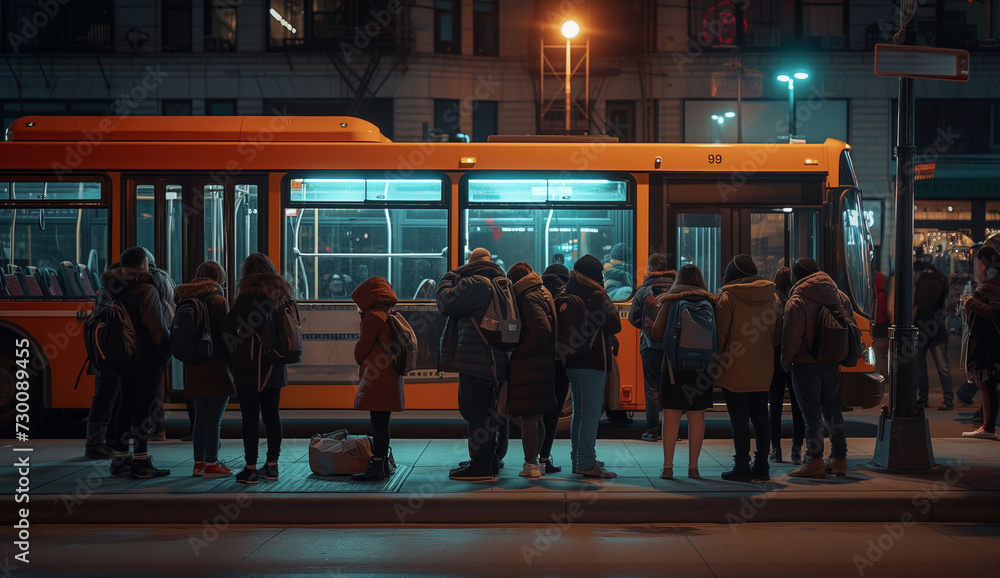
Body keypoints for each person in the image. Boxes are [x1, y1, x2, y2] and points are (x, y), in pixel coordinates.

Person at [437, 247, 510, 481]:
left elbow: (445, 303)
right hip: (494, 359)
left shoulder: (476, 283)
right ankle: (490, 458)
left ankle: (480, 465)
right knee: (489, 412)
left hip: (476, 360)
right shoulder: (500, 282)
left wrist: (451, 275)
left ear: (471, 264)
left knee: (475, 412)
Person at [225, 253, 294, 484]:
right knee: (273, 416)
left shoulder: (249, 294)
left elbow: (229, 327)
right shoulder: (282, 293)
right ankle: (272, 465)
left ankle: (251, 469)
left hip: (251, 366)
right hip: (276, 365)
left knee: (250, 418)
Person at [781, 257, 853, 478]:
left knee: (811, 415)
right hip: (832, 363)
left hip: (805, 365)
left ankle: (814, 461)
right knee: (833, 412)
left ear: (797, 276)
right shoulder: (839, 296)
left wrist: (786, 362)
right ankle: (839, 458)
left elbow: (792, 338)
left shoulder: (797, 300)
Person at [105, 247, 172, 479]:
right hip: (147, 358)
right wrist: (166, 351)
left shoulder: (115, 287)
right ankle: (141, 462)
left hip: (125, 357)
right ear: (143, 263)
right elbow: (156, 327)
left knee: (125, 407)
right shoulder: (146, 289)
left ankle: (120, 458)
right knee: (143, 410)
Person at [715, 255, 782, 482]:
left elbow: (721, 335)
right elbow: (777, 336)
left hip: (734, 367)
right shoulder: (772, 296)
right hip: (763, 368)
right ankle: (762, 465)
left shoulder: (728, 297)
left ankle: (742, 466)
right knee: (761, 417)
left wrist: (716, 363)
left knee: (739, 420)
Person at [650, 264, 716, 479]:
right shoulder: (711, 303)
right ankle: (693, 468)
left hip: (673, 366)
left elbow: (657, 333)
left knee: (671, 416)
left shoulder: (671, 301)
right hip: (702, 368)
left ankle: (668, 467)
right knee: (697, 416)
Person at [174, 261, 235, 478]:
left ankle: (198, 463)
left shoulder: (185, 299)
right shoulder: (218, 301)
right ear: (219, 278)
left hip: (194, 367)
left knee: (200, 419)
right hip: (216, 366)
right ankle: (211, 463)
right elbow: (227, 337)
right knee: (214, 420)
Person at [562, 254, 622, 478]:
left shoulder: (569, 291)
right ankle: (586, 463)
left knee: (579, 413)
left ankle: (579, 458)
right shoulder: (596, 295)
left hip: (572, 360)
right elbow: (615, 325)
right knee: (590, 414)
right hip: (592, 361)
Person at [503, 262, 559, 479]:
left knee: (528, 415)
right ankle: (537, 462)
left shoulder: (527, 297)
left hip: (531, 364)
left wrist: (520, 353)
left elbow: (542, 329)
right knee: (538, 415)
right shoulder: (542, 292)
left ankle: (530, 465)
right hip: (543, 362)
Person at [351, 276, 405, 480]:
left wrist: (357, 351)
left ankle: (377, 465)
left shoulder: (373, 316)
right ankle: (381, 463)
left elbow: (362, 349)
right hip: (388, 375)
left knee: (378, 422)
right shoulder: (387, 314)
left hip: (377, 378)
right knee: (383, 421)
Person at [627, 253, 676, 442]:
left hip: (649, 346)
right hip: (672, 346)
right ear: (666, 267)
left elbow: (633, 318)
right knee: (671, 388)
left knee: (652, 389)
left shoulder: (643, 290)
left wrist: (649, 330)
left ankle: (652, 431)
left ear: (649, 268)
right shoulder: (675, 289)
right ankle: (673, 432)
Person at [960, 241, 1000, 440]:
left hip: (988, 346)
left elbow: (996, 312)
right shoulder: (993, 282)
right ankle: (987, 426)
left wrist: (971, 303)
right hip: (988, 344)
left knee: (987, 385)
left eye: (980, 263)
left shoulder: (992, 284)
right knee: (986, 385)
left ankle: (988, 428)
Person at [84, 262, 122, 460]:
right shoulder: (112, 294)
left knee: (107, 400)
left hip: (103, 356)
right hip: (109, 357)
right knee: (104, 400)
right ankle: (94, 444)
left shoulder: (105, 291)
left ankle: (101, 443)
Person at [768, 267, 805, 465]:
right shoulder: (797, 301)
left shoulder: (771, 302)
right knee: (798, 405)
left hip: (775, 356)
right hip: (795, 357)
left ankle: (776, 449)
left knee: (775, 404)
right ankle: (797, 449)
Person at [538, 263, 571, 473]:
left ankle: (531, 457)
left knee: (536, 412)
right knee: (554, 410)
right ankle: (544, 457)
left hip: (537, 361)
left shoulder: (536, 294)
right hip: (560, 361)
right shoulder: (567, 298)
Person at [142, 248, 175, 443]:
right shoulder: (165, 276)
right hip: (166, 335)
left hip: (154, 337)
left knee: (151, 387)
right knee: (155, 385)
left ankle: (156, 428)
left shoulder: (150, 280)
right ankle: (157, 428)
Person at [913, 258, 954, 411]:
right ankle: (948, 399)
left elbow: (914, 305)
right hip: (938, 328)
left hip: (921, 328)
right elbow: (947, 305)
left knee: (920, 367)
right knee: (943, 366)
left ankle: (923, 399)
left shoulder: (919, 281)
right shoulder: (942, 280)